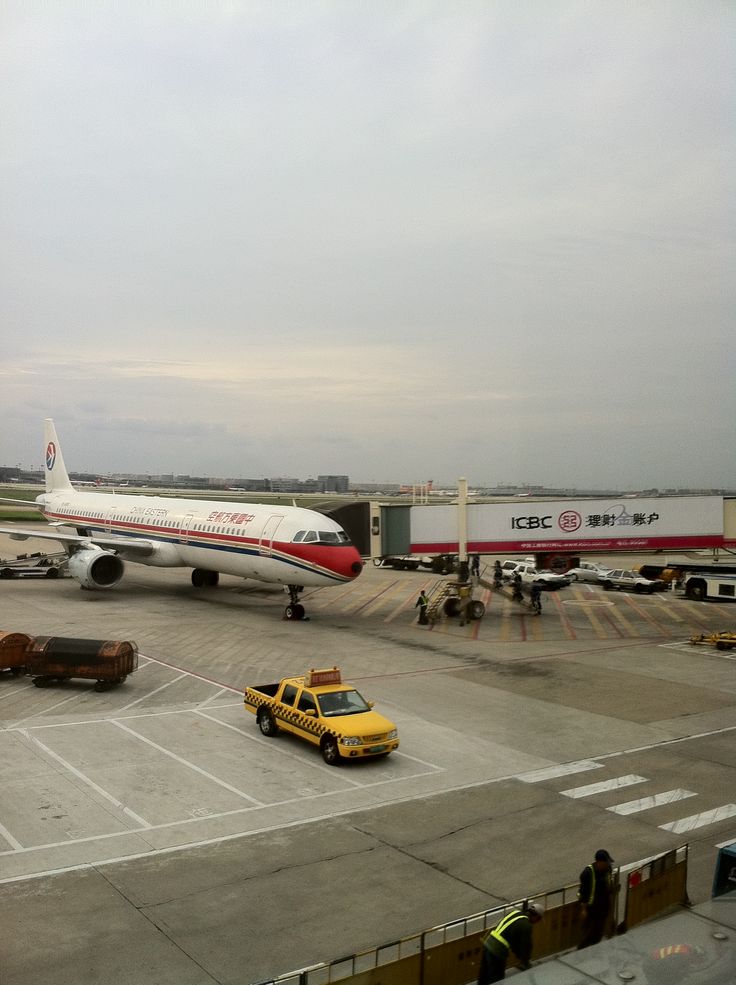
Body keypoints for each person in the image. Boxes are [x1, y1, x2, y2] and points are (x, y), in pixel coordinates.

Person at [477, 902, 545, 983]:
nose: (537, 922)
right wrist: (526, 963)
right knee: (496, 979)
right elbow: (525, 946)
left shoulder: (515, 913)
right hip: (497, 951)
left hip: (488, 943)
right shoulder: (526, 925)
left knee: (484, 975)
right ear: (536, 916)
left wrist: (519, 955)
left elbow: (513, 940)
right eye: (539, 920)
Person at [577, 849, 615, 950]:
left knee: (598, 933)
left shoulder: (607, 869)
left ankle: (594, 950)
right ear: (599, 862)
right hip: (591, 909)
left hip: (603, 908)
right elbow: (583, 893)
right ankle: (580, 952)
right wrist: (584, 910)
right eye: (606, 862)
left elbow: (608, 884)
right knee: (587, 934)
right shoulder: (587, 873)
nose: (608, 864)